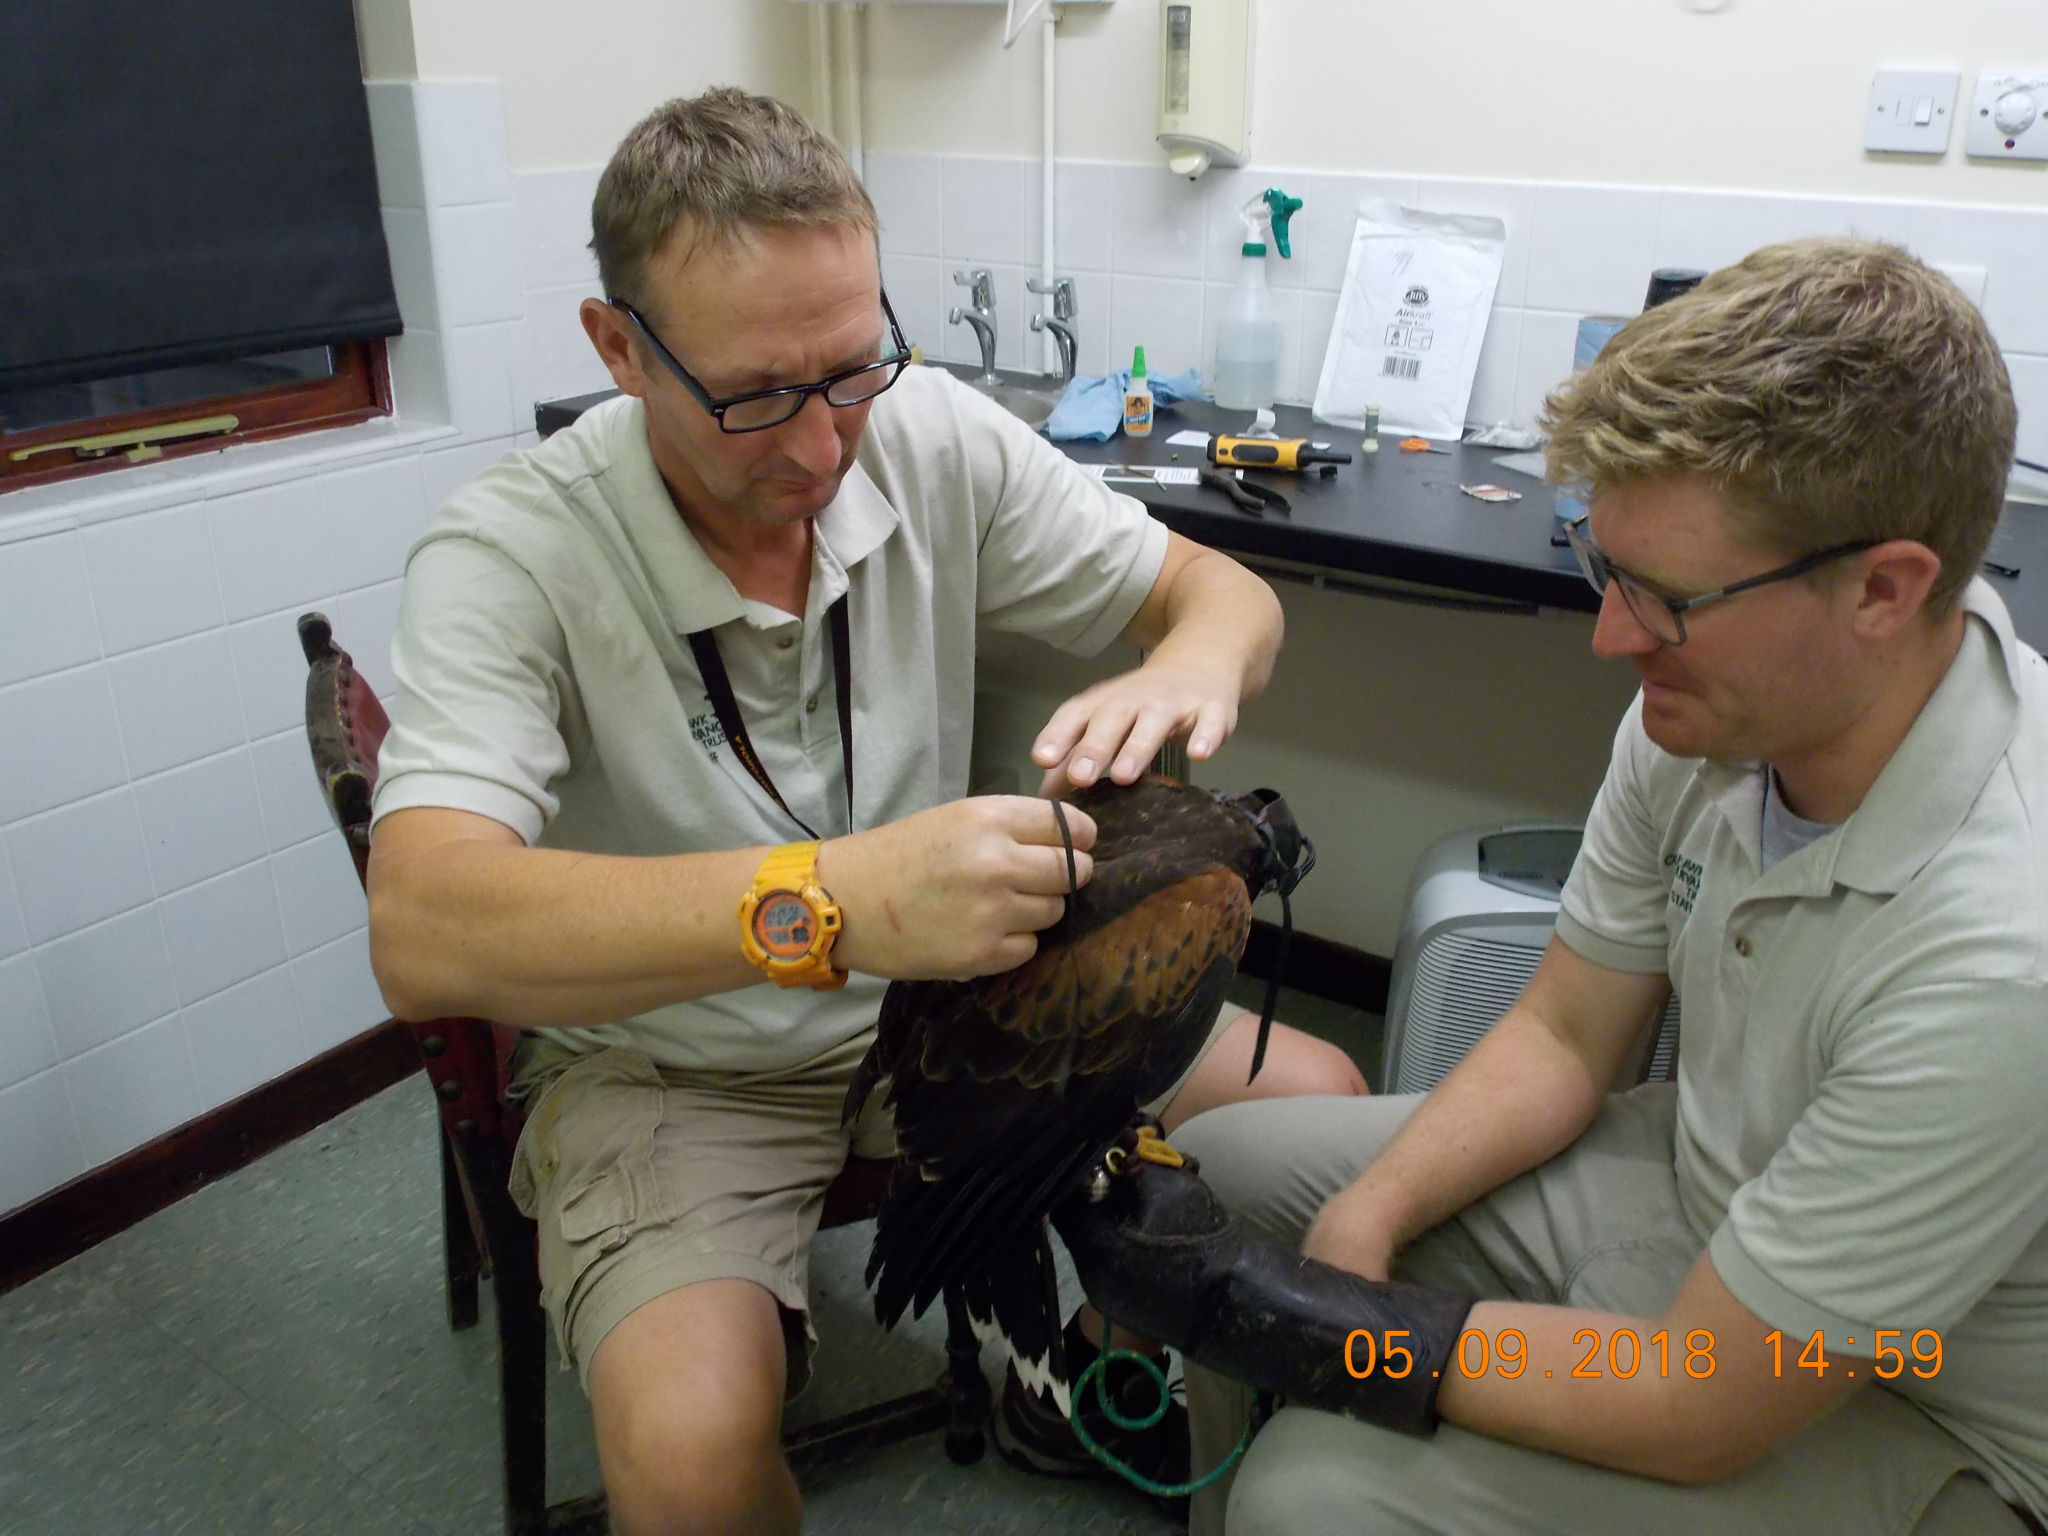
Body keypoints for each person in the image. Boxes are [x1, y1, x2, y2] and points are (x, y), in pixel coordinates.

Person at [365, 88, 1364, 1536]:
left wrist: (1190, 665)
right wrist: (830, 904)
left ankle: (1076, 1385)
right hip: (677, 1060)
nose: (823, 446)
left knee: (1316, 1110)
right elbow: (422, 929)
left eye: (851, 368)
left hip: (948, 1007)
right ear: (618, 350)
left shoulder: (928, 433)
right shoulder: (509, 554)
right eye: (755, 394)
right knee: (694, 1463)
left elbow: (1222, 592)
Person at [1176, 237, 2048, 1536]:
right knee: (1215, 1176)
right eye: (1606, 563)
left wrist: (1350, 1338)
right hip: (1699, 1189)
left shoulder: (2005, 951)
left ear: (1884, 589)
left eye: (1666, 597)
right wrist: (1368, 1216)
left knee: (1312, 1496)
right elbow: (1567, 1033)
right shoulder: (1716, 711)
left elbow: (1704, 1405)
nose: (1611, 636)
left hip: (1925, 1392)